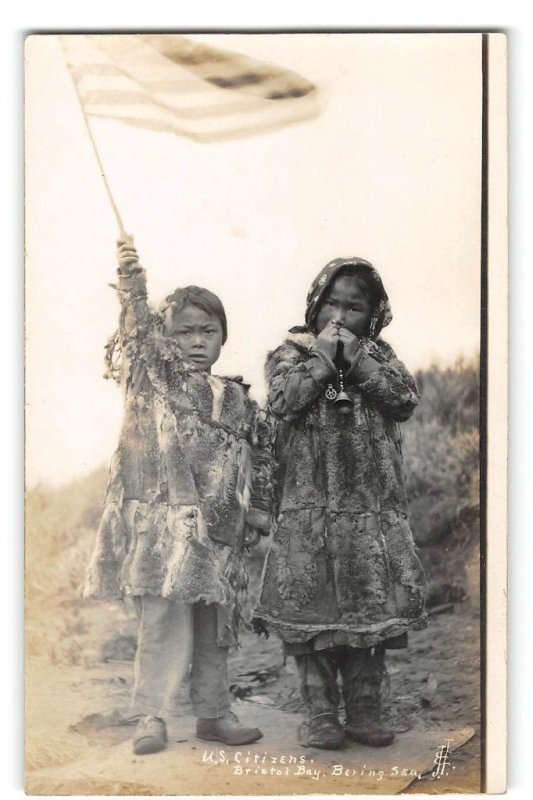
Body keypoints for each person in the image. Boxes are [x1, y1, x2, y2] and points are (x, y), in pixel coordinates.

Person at [85, 237, 273, 755]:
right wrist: (132, 282)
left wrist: (257, 511)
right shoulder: (154, 379)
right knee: (164, 625)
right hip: (162, 533)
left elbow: (262, 456)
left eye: (207, 331)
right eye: (183, 331)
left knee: (215, 627)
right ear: (165, 338)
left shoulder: (236, 397)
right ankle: (153, 715)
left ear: (222, 338)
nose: (196, 341)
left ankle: (214, 713)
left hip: (217, 534)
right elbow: (137, 333)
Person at [253, 256, 428, 750]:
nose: (341, 314)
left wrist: (361, 362)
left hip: (369, 515)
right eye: (332, 302)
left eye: (355, 306)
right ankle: (320, 714)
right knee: (312, 613)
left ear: (372, 315)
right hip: (309, 513)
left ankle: (366, 710)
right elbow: (283, 401)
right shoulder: (290, 353)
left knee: (368, 615)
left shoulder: (381, 354)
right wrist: (325, 359)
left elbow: (404, 401)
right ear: (314, 305)